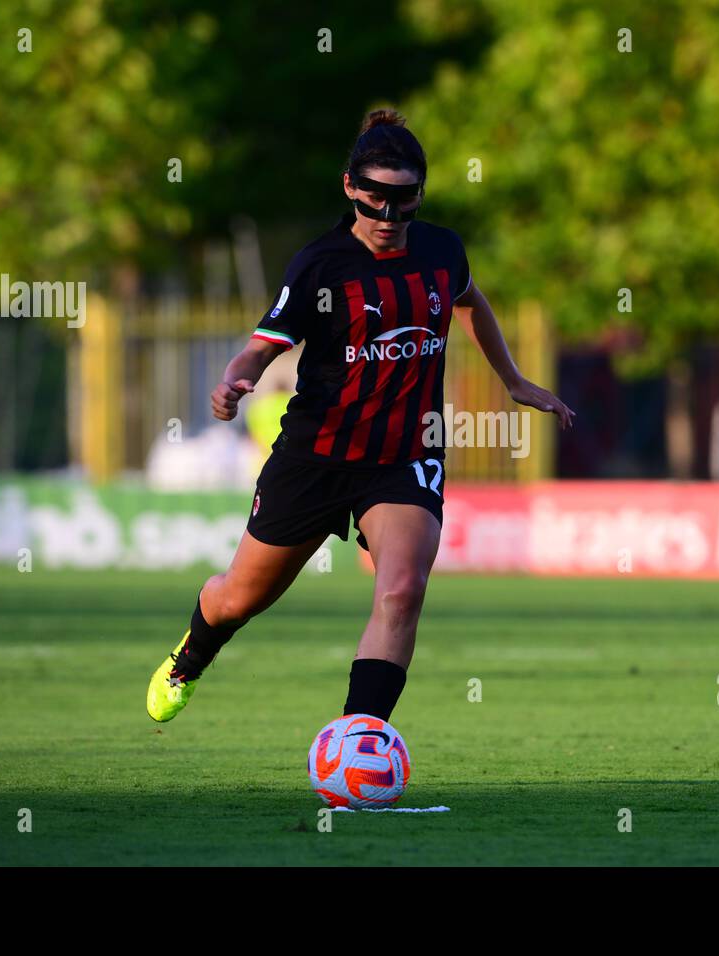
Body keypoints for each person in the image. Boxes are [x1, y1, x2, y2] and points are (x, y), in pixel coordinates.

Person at [146, 108, 573, 725]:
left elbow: (468, 300)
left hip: (404, 455)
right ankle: (190, 656)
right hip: (316, 454)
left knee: (402, 591)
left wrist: (513, 381)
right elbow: (265, 343)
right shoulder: (321, 265)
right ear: (350, 188)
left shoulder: (441, 250)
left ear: (420, 194)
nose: (389, 218)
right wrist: (237, 377)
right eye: (375, 201)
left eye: (404, 202)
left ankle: (360, 739)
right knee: (240, 597)